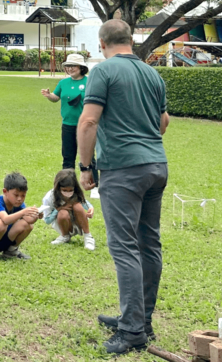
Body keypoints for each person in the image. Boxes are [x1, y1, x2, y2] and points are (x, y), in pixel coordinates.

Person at [79, 19, 170, 355]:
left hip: (122, 169)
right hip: (156, 166)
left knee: (125, 247)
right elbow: (163, 122)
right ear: (131, 41)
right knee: (149, 243)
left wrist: (86, 167)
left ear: (102, 43)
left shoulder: (103, 71)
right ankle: (140, 319)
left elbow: (88, 121)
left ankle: (132, 331)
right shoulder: (153, 74)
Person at [41, 54, 99, 189]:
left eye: (73, 66)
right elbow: (56, 97)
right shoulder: (63, 83)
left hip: (85, 126)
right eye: (68, 66)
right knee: (68, 157)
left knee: (89, 157)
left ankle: (95, 185)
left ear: (81, 67)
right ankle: (68, 186)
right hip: (67, 125)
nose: (70, 69)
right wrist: (49, 96)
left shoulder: (89, 82)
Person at [0, 172, 38, 263]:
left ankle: (11, 251)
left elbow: (28, 220)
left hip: (4, 239)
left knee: (28, 225)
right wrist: (23, 212)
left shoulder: (18, 203)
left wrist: (36, 215)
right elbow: (6, 219)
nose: (20, 199)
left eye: (23, 195)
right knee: (1, 223)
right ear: (5, 192)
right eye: (16, 195)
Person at [41, 169, 96, 251]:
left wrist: (91, 209)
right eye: (64, 190)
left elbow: (85, 203)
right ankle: (65, 235)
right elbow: (47, 220)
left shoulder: (76, 194)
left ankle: (88, 236)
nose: (68, 193)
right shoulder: (49, 197)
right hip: (62, 222)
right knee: (63, 213)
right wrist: (58, 209)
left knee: (77, 206)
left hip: (77, 221)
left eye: (70, 190)